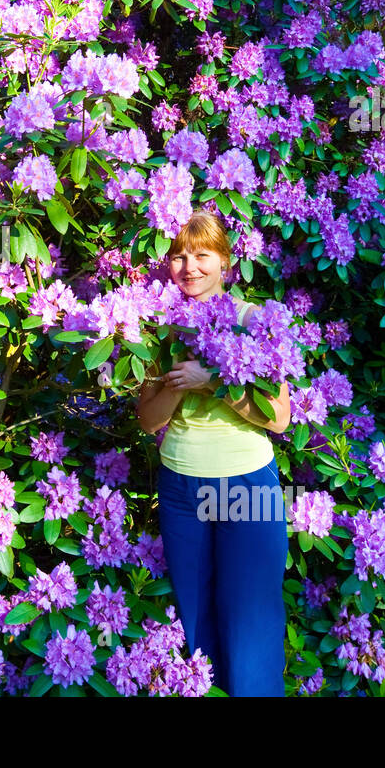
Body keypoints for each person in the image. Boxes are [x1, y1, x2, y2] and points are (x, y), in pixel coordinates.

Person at [135, 210, 292, 696]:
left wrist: (216, 382)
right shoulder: (159, 329)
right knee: (196, 618)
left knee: (251, 620)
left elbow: (279, 418)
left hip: (245, 486)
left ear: (225, 261)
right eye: (179, 256)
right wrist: (181, 385)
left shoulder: (253, 320)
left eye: (202, 255)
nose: (190, 267)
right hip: (182, 489)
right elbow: (147, 419)